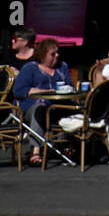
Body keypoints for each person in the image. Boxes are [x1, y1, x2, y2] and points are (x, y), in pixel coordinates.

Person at [12, 38, 72, 166]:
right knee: (39, 108)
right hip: (30, 107)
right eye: (52, 54)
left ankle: (67, 146)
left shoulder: (62, 67)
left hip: (56, 105)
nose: (57, 56)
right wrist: (41, 91)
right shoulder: (30, 68)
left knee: (73, 108)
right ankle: (35, 151)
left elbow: (69, 87)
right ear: (43, 54)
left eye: (57, 53)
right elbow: (19, 90)